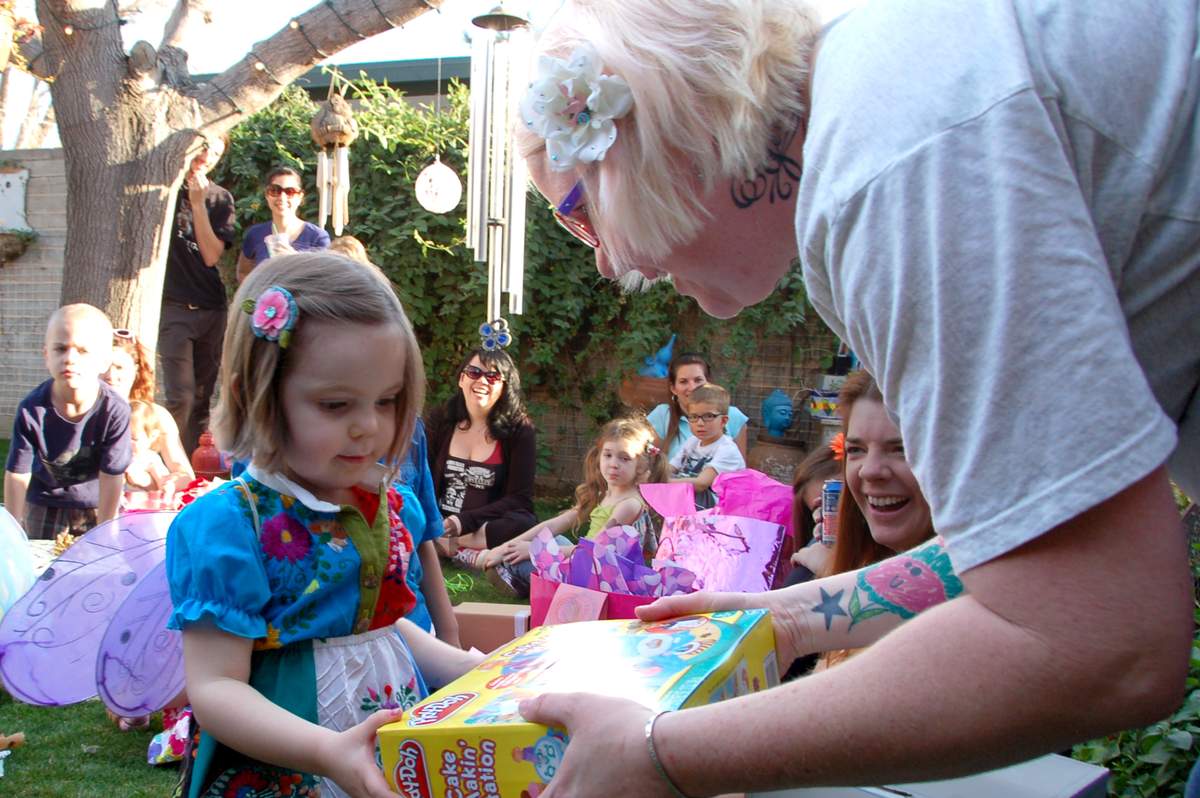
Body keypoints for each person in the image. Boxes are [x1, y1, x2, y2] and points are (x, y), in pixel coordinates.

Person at [513, 1, 1197, 794]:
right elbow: (1033, 542)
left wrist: (664, 754)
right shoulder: (877, 126)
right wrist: (786, 618)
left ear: (661, 140)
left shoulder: (893, 168)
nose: (604, 264)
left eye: (579, 215)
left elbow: (1099, 638)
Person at [165, 253, 482, 798]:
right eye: (336, 405)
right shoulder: (229, 527)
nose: (368, 427)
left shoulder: (385, 505)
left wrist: (472, 671)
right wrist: (326, 752)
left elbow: (378, 625)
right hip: (287, 766)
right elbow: (215, 686)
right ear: (253, 394)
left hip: (381, 741)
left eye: (387, 401)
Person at [487, 415, 669, 597]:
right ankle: (515, 572)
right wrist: (506, 546)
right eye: (608, 455)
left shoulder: (629, 504)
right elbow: (555, 524)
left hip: (600, 577)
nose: (613, 464)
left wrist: (534, 551)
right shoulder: (602, 494)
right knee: (547, 539)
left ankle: (522, 582)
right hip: (584, 561)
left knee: (526, 556)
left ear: (640, 466)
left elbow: (596, 550)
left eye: (625, 458)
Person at [4, 305, 131, 540]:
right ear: (47, 356)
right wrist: (12, 531)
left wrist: (106, 531)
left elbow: (112, 475)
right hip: (44, 503)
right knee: (41, 570)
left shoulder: (114, 411)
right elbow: (17, 473)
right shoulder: (32, 409)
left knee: (96, 569)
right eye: (61, 349)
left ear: (104, 362)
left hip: (98, 504)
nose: (70, 359)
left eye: (82, 351)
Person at [160, 135, 238, 456]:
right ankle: (171, 462)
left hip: (211, 308)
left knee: (203, 396)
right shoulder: (165, 190)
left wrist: (197, 203)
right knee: (181, 396)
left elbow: (210, 255)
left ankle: (197, 471)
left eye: (216, 152)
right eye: (204, 147)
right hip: (174, 308)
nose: (208, 156)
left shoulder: (220, 199)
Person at [426, 349, 537, 569]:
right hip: (441, 517)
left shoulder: (520, 431)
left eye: (493, 376)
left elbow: (519, 498)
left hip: (484, 525)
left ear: (505, 386)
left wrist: (463, 522)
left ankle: (450, 544)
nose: (482, 380)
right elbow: (424, 478)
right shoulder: (441, 420)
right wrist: (435, 518)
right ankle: (455, 546)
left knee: (525, 524)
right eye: (474, 372)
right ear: (461, 379)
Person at [103, 331, 195, 505]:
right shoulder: (84, 413)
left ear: (136, 369)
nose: (110, 375)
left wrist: (158, 482)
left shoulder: (155, 415)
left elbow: (185, 476)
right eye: (105, 366)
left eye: (119, 367)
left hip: (140, 511)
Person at [395, 418, 462, 647]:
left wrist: (450, 636)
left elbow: (424, 540)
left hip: (417, 637)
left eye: (386, 401)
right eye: (334, 405)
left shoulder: (410, 427)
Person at [646, 353, 749, 460]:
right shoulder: (662, 415)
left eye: (698, 380)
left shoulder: (733, 416)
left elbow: (740, 472)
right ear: (673, 388)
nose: (692, 387)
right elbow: (650, 464)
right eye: (683, 381)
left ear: (708, 382)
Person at [236, 166, 330, 282]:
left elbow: (325, 281)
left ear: (300, 197)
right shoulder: (255, 234)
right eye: (275, 190)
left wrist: (295, 260)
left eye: (290, 192)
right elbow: (243, 272)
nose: (282, 197)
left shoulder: (317, 237)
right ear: (267, 195)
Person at [668, 384, 745, 509]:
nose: (700, 423)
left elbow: (701, 484)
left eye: (708, 416)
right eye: (693, 417)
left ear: (724, 421)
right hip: (690, 510)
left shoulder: (727, 449)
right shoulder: (692, 442)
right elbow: (670, 468)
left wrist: (662, 482)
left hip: (719, 518)